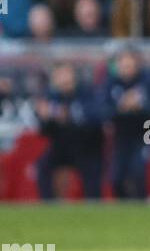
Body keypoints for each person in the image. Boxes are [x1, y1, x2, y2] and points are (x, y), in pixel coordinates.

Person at [35, 63, 105, 200]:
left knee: (92, 180)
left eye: (66, 74)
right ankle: (48, 205)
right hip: (62, 146)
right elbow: (44, 131)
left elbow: (97, 120)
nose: (64, 79)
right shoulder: (51, 96)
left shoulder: (88, 92)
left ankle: (95, 206)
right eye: (59, 76)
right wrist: (45, 118)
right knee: (42, 167)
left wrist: (69, 116)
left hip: (87, 147)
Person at [105, 48, 150, 199]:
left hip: (148, 130)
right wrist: (121, 106)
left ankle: (144, 200)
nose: (127, 69)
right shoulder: (111, 82)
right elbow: (102, 110)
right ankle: (124, 207)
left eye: (130, 65)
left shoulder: (149, 80)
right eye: (123, 65)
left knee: (140, 168)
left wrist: (139, 105)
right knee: (116, 176)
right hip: (123, 133)